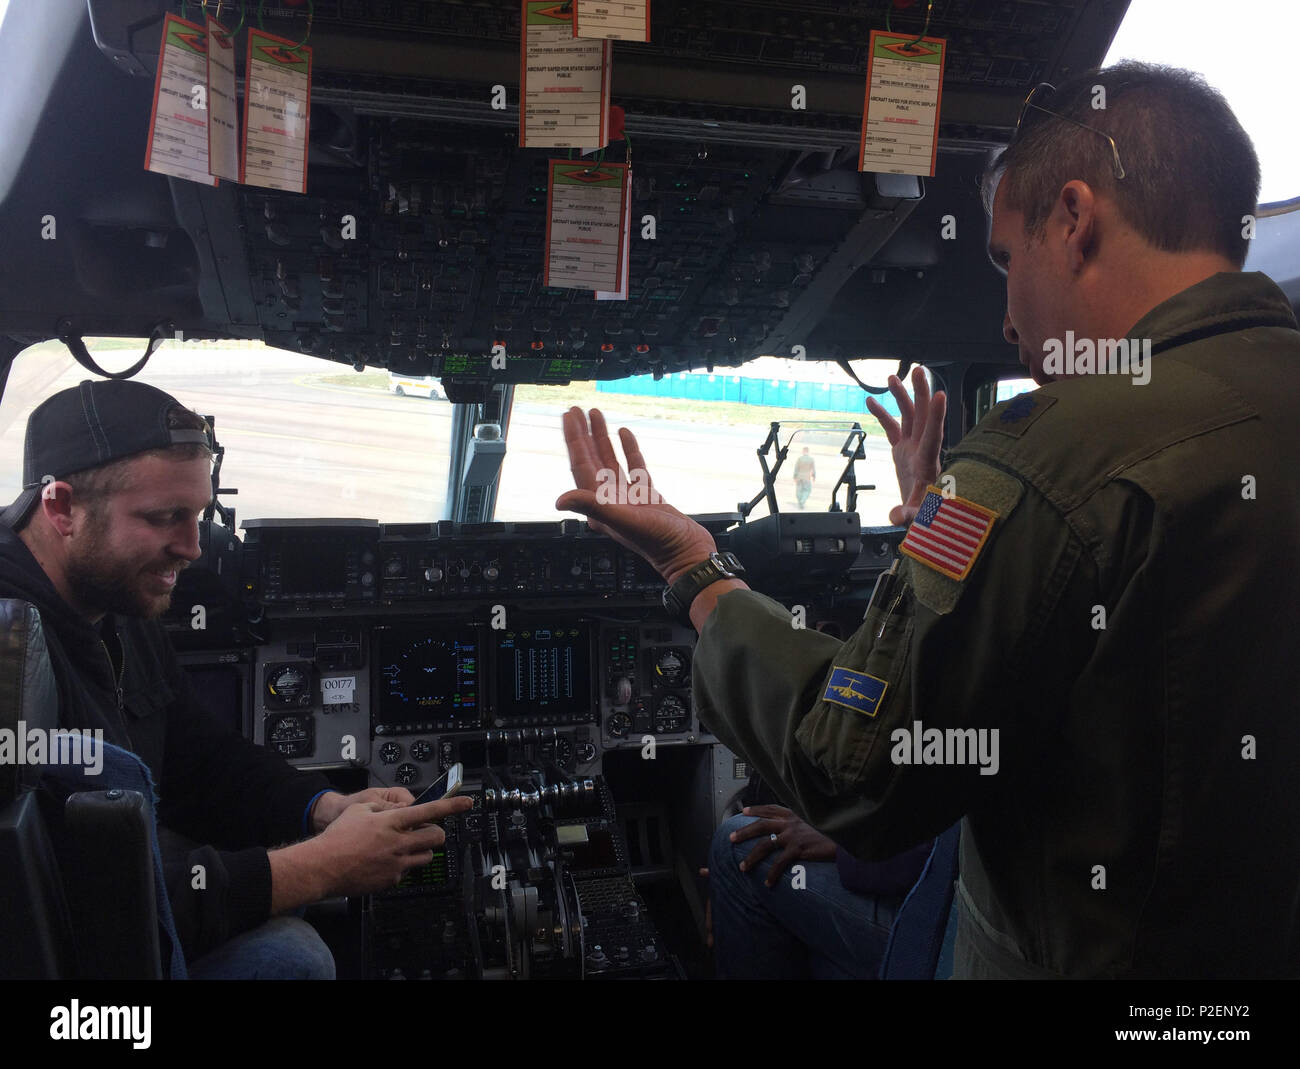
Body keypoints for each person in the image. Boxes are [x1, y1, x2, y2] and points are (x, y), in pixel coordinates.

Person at [557, 62, 1300, 978]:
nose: (1006, 318)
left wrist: (699, 572)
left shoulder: (1054, 452)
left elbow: (856, 770)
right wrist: (933, 511)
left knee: (741, 860)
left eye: (1004, 257)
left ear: (1073, 220)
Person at [0, 379, 473, 978]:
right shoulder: (10, 651)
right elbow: (79, 909)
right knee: (294, 958)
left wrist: (324, 808)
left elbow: (198, 758)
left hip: (117, 898)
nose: (193, 548)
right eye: (164, 517)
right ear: (62, 507)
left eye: (198, 513)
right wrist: (318, 868)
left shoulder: (114, 595)